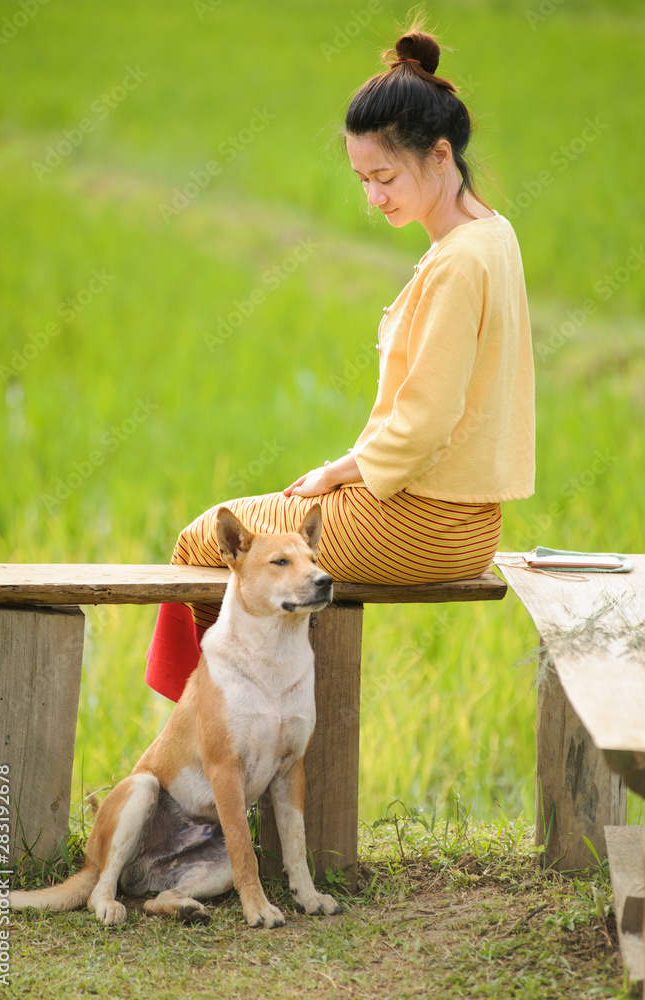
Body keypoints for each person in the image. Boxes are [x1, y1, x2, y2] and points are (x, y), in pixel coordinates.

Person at [145, 23, 535, 702]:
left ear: (439, 156)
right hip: (469, 523)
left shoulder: (456, 263)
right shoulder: (492, 237)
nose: (373, 196)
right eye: (362, 179)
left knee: (204, 538)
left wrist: (337, 471)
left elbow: (427, 418)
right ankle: (232, 740)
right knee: (254, 547)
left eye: (384, 176)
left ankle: (203, 754)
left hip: (417, 523)